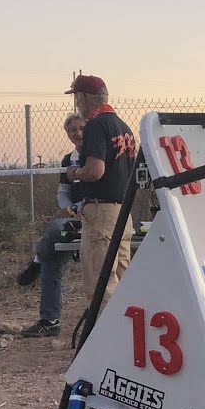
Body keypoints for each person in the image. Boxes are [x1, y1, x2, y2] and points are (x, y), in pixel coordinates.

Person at [63, 74, 136, 313]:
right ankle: (126, 339)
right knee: (124, 281)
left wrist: (75, 173)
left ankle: (104, 341)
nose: (76, 104)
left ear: (82, 97)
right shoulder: (123, 126)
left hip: (101, 211)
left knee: (101, 284)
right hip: (123, 212)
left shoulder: (96, 125)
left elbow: (95, 171)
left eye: (76, 98)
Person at [15, 114, 86, 337]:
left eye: (81, 128)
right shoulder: (68, 160)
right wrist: (71, 208)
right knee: (53, 254)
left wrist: (83, 208)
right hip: (75, 215)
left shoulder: (97, 154)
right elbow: (63, 192)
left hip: (97, 214)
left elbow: (103, 188)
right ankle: (49, 320)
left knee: (54, 231)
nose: (77, 133)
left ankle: (36, 261)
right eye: (72, 130)